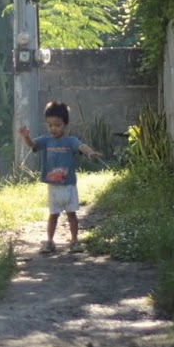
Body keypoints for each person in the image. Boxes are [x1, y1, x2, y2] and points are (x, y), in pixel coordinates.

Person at [18, 101, 102, 253]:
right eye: (50, 125)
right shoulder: (46, 140)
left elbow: (81, 146)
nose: (53, 129)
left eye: (57, 125)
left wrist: (90, 152)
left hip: (69, 186)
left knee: (72, 215)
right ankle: (50, 241)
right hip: (53, 187)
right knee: (53, 216)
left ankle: (75, 240)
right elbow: (32, 145)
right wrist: (26, 136)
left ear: (65, 125)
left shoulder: (70, 141)